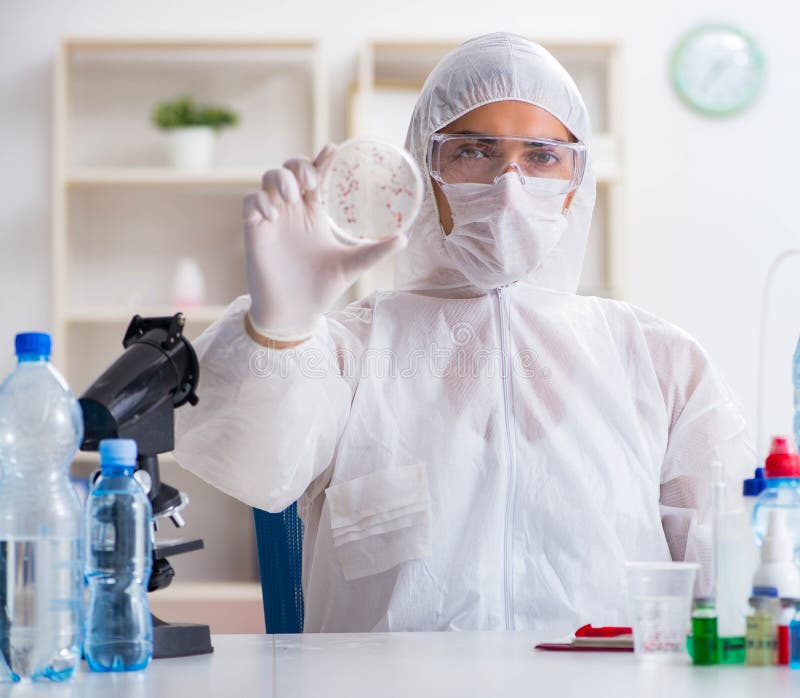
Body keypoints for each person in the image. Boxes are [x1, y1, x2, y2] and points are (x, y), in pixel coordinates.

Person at [174, 32, 752, 635]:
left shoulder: (657, 361)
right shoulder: (351, 351)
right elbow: (253, 463)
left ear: (576, 183)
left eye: (542, 156)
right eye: (473, 151)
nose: (509, 185)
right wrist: (279, 328)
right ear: (425, 171)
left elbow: (730, 585)